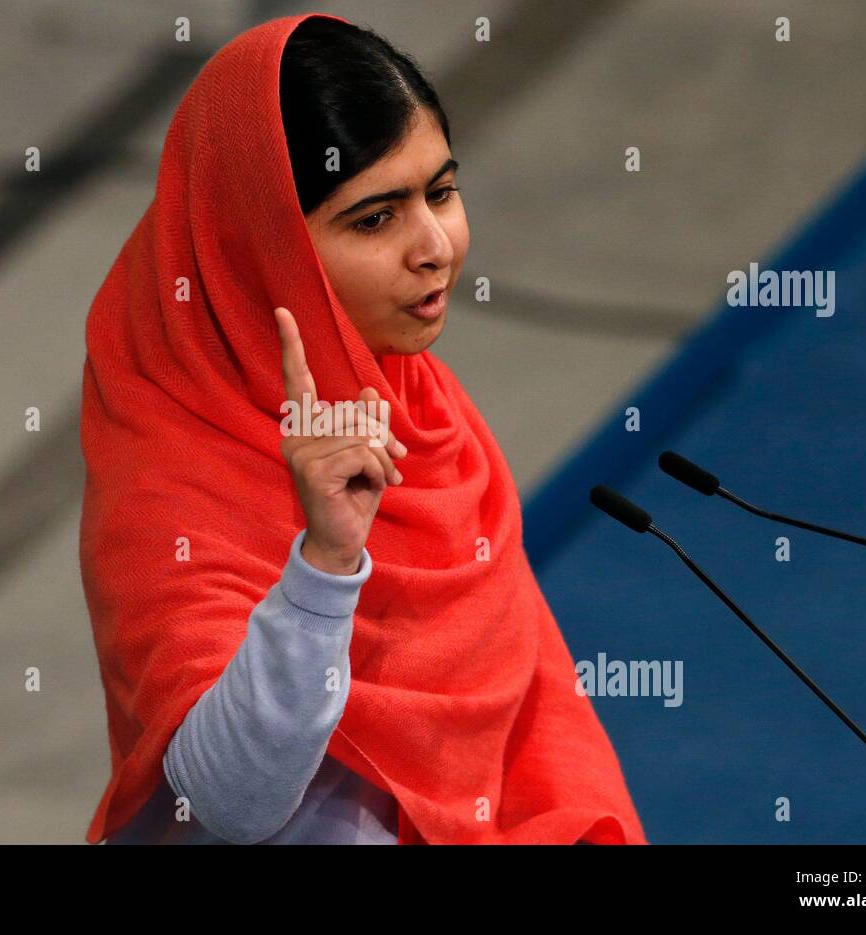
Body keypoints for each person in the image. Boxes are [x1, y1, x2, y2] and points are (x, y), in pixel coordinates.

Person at [79, 12, 647, 845]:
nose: (435, 247)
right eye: (375, 219)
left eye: (442, 193)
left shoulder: (424, 406)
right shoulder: (169, 485)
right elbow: (227, 803)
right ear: (261, 247)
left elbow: (531, 725)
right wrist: (326, 564)